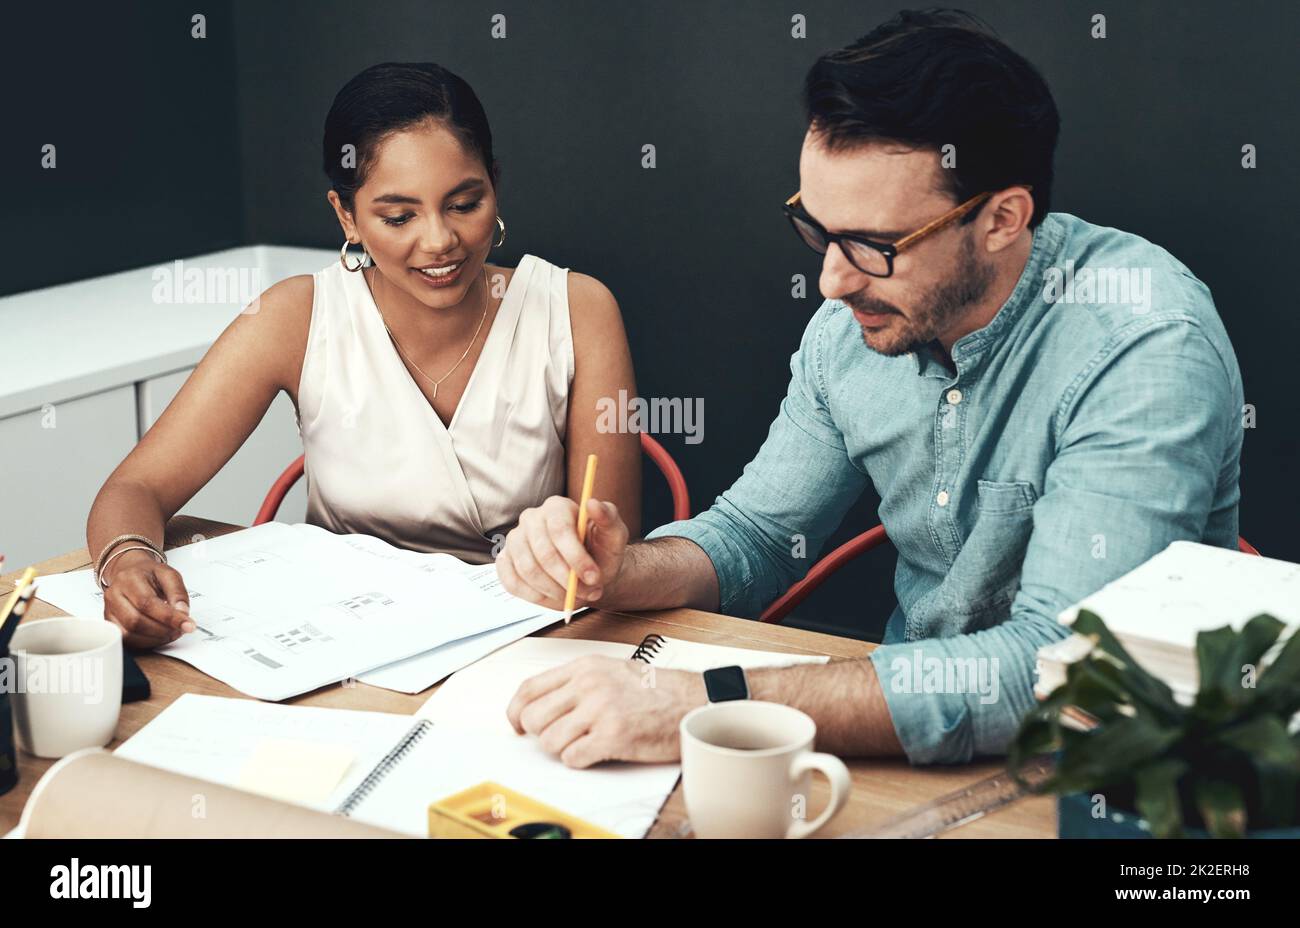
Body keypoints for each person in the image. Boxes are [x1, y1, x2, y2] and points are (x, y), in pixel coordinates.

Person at [497, 10, 1243, 768]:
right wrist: (618, 573)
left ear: (1001, 219)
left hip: (1100, 777)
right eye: (818, 231)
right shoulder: (852, 325)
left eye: (875, 247)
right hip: (890, 752)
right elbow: (756, 536)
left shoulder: (1144, 344)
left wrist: (705, 706)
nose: (831, 280)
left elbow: (1061, 671)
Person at [87, 62, 640, 650]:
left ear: (494, 185)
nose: (439, 241)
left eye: (464, 203)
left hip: (528, 640)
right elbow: (135, 488)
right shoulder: (295, 316)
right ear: (346, 215)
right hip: (342, 651)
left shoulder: (576, 309)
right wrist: (127, 560)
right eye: (398, 216)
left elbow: (609, 554)